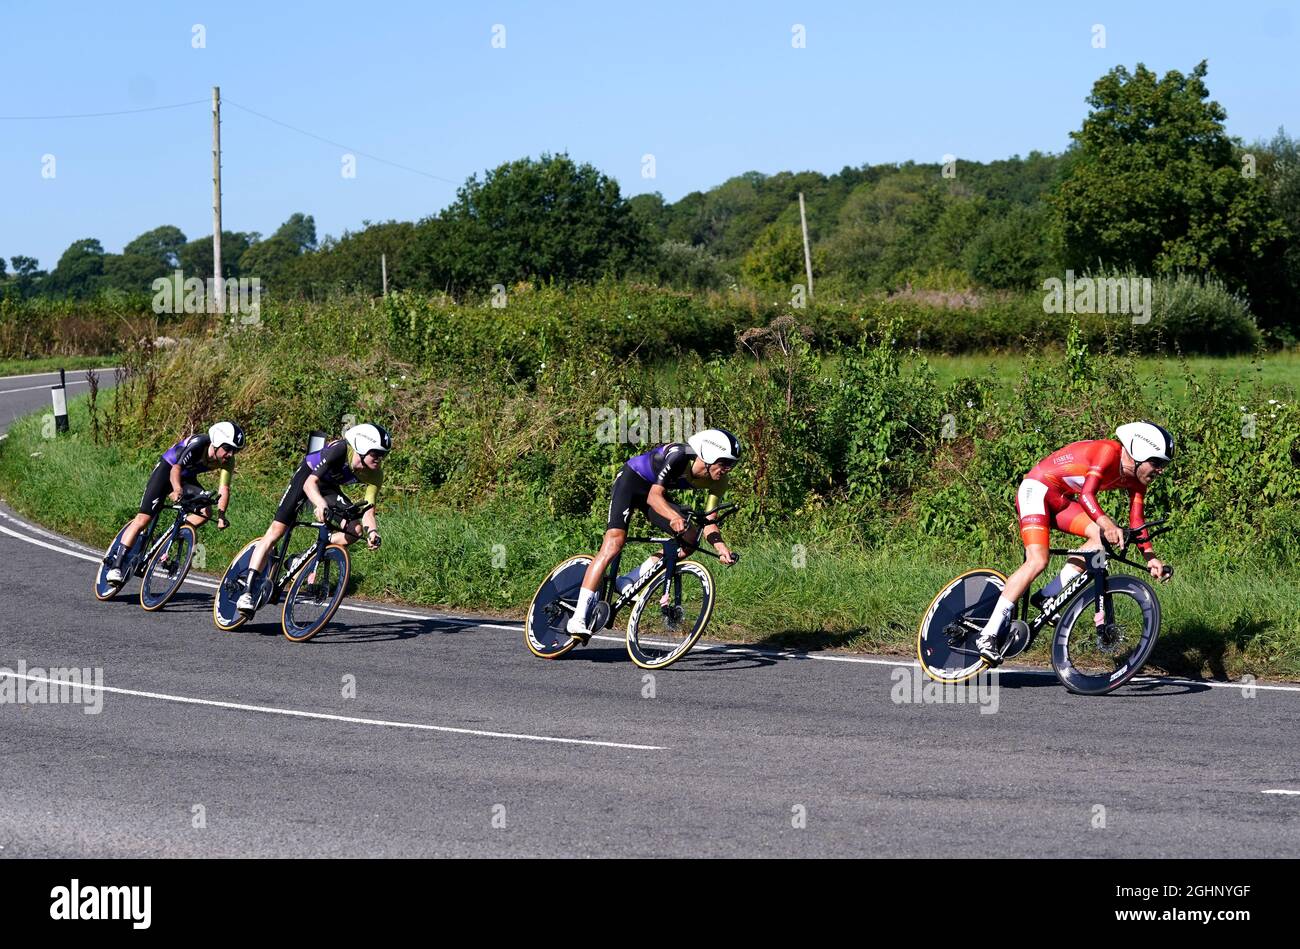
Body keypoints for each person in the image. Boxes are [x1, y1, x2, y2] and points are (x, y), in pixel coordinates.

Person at [975, 420, 1175, 665]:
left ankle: (1047, 596)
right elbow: (1086, 495)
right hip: (1037, 490)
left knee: (1099, 540)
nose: (1160, 470)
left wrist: (1150, 557)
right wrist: (1109, 524)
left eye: (1164, 465)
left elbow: (1136, 521)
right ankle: (988, 634)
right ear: (1137, 454)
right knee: (1038, 560)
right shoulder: (1107, 452)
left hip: (1060, 499)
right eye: (1156, 463)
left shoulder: (1136, 480)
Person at [566, 427, 741, 643]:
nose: (727, 469)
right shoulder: (679, 456)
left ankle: (629, 579)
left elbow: (709, 523)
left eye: (732, 464)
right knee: (614, 543)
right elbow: (653, 497)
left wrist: (721, 548)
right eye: (724, 463)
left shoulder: (720, 481)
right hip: (632, 481)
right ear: (707, 454)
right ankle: (578, 617)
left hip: (654, 492)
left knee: (690, 540)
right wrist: (674, 517)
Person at [236, 423, 390, 613]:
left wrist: (373, 532)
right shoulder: (340, 450)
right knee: (277, 531)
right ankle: (247, 592)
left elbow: (368, 510)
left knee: (355, 531)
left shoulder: (376, 474)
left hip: (328, 487)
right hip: (307, 477)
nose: (380, 460)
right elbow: (310, 484)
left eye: (383, 455)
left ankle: (302, 558)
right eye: (376, 454)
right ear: (361, 447)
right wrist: (319, 504)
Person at [106, 422, 243, 583]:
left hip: (186, 478)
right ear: (216, 442)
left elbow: (224, 489)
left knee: (205, 512)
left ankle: (166, 539)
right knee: (143, 519)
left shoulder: (228, 460)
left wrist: (221, 515)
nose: (230, 454)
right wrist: (177, 489)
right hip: (167, 470)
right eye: (227, 448)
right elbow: (176, 469)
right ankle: (116, 565)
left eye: (235, 450)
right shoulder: (199, 444)